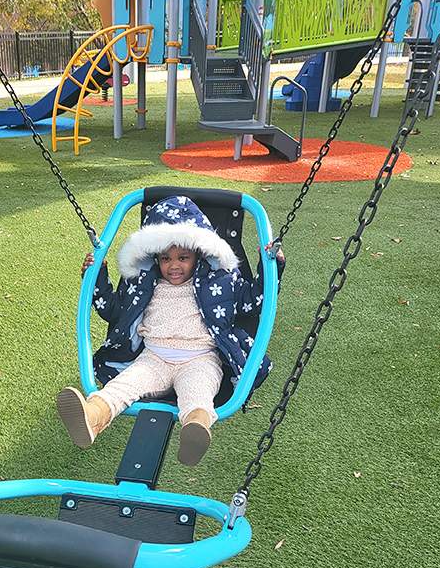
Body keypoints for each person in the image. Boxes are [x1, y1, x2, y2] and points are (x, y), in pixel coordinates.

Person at [57, 195, 285, 466]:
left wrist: (271, 266)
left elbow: (253, 301)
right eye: (166, 258)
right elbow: (113, 310)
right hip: (153, 358)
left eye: (183, 257)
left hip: (200, 358)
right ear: (155, 257)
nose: (174, 265)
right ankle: (92, 416)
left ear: (198, 253)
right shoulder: (143, 283)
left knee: (197, 392)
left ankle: (196, 430)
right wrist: (97, 276)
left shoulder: (221, 281)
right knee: (124, 386)